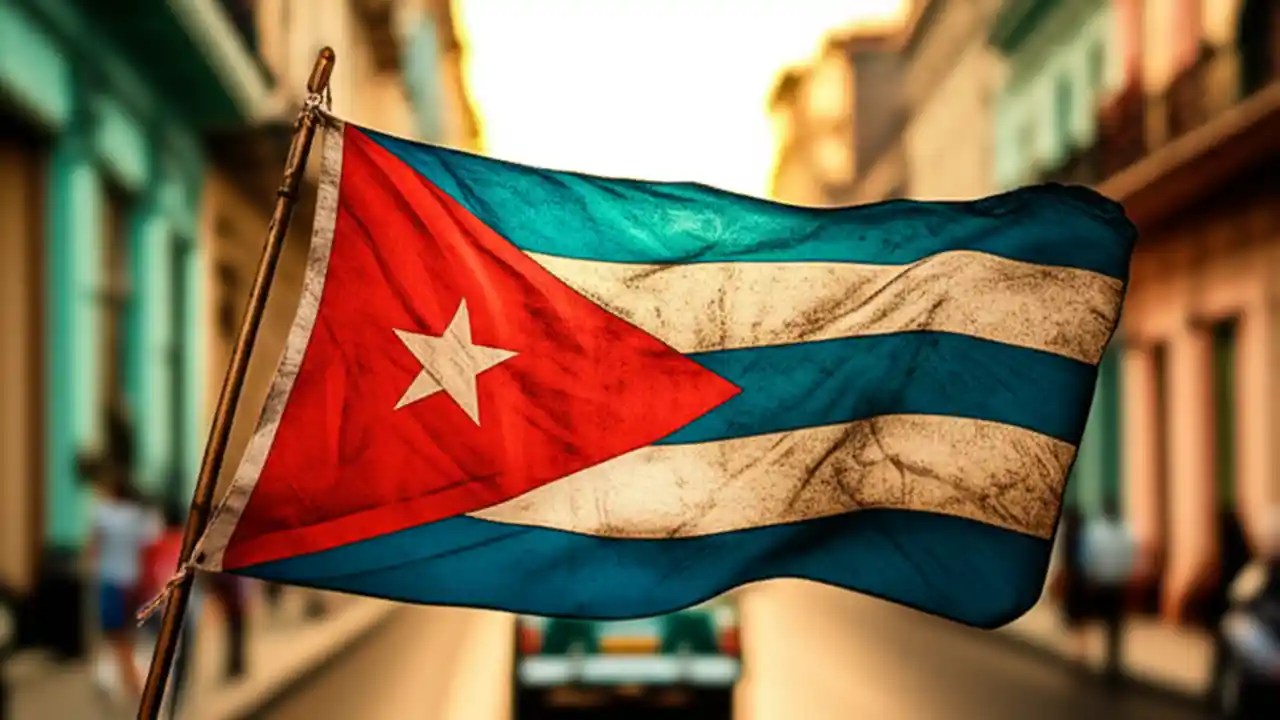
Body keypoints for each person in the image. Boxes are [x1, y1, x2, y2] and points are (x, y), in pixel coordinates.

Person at [80, 406, 161, 704]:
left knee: (118, 641)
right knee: (123, 640)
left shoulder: (103, 512)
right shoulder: (140, 513)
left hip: (111, 582)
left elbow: (92, 547)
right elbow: (150, 545)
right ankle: (125, 682)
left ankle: (139, 692)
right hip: (134, 583)